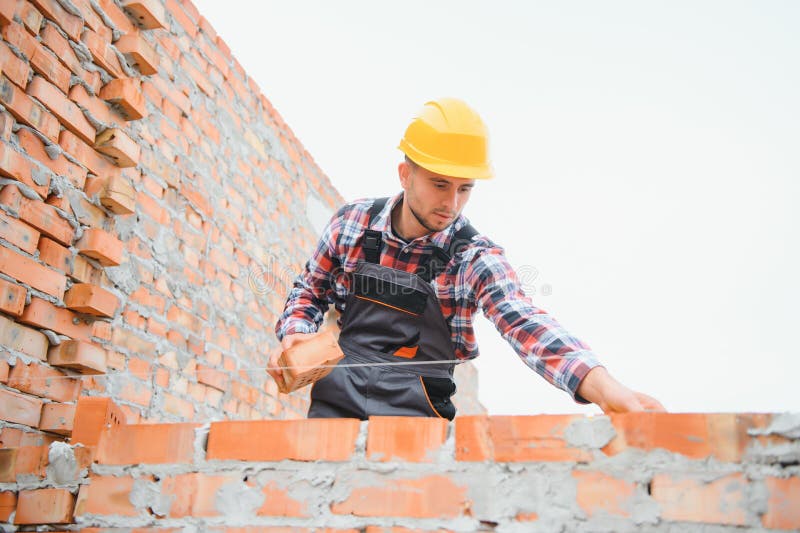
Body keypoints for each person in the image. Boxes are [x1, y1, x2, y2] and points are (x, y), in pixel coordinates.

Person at [269, 97, 664, 419]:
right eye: (440, 184)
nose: (452, 203)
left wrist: (605, 389)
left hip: (415, 417)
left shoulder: (474, 258)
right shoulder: (352, 223)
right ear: (405, 174)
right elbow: (309, 291)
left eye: (465, 189)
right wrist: (297, 331)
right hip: (336, 404)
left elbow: (526, 323)